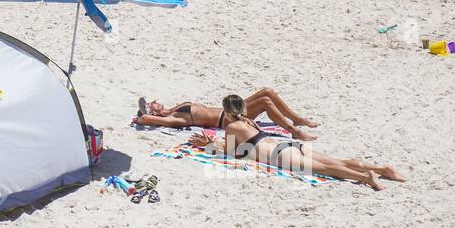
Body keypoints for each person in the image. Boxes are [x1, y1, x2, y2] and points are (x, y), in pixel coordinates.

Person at [188, 95, 405, 190]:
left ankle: (365, 178)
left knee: (328, 169)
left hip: (279, 156)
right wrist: (214, 141)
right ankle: (383, 169)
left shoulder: (232, 127)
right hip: (285, 147)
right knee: (337, 161)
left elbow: (235, 153)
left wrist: (209, 145)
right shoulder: (247, 121)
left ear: (226, 112)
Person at [135, 87, 319, 140]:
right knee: (265, 102)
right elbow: (143, 119)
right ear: (155, 111)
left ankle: (298, 119)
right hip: (228, 119)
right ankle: (294, 131)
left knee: (267, 92)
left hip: (228, 111)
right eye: (153, 104)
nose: (155, 101)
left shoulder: (173, 110)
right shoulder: (173, 119)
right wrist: (147, 116)